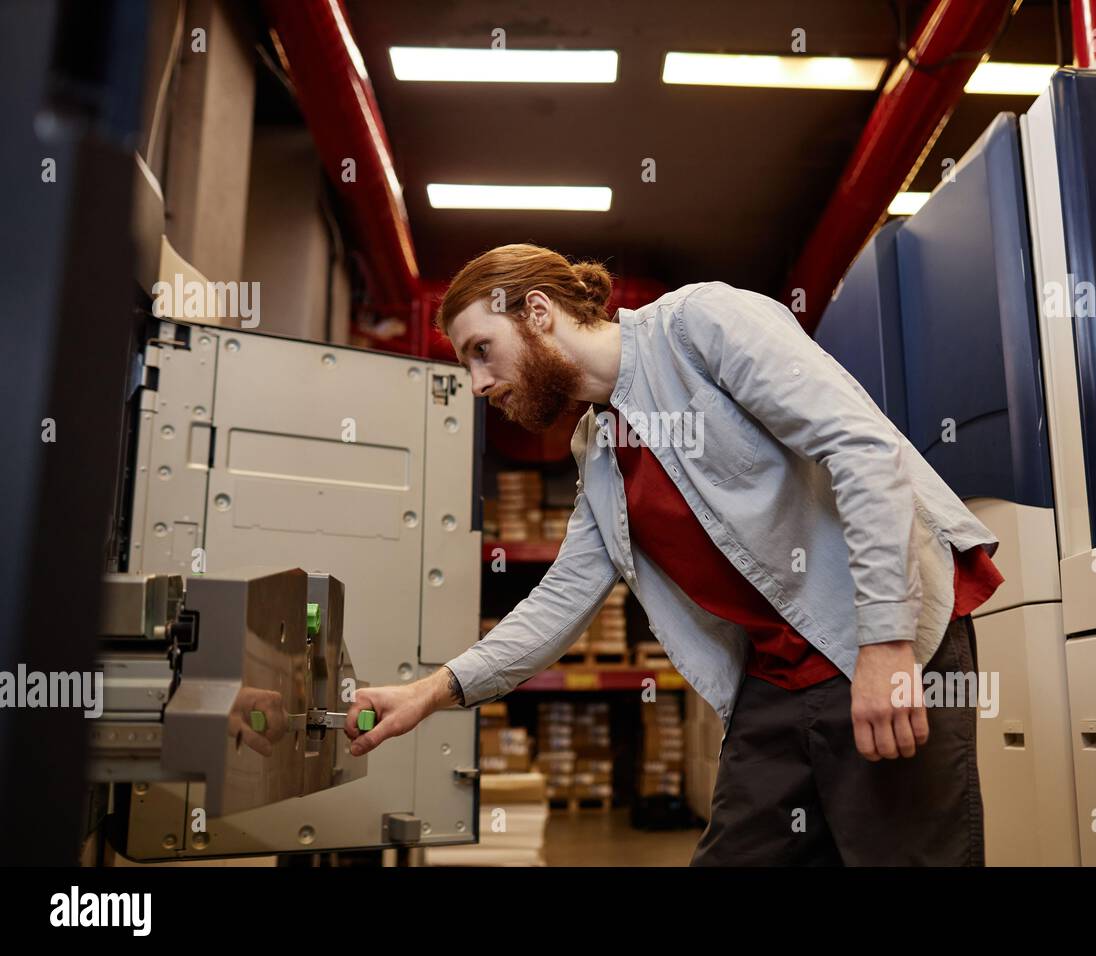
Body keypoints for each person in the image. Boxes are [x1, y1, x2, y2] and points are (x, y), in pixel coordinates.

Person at [344, 243, 1004, 865]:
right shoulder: (596, 452)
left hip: (879, 639)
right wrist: (431, 692)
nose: (480, 382)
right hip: (775, 685)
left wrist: (885, 643)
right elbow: (559, 603)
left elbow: (861, 450)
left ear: (538, 312)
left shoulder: (701, 324)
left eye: (481, 350)